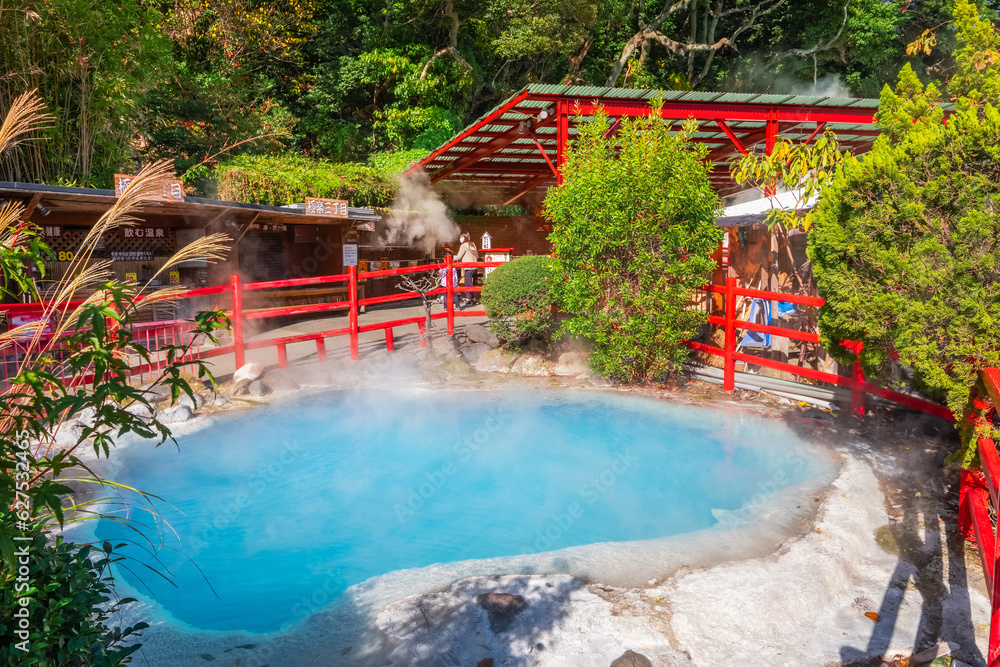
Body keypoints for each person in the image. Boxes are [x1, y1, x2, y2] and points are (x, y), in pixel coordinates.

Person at [454, 232, 479, 307]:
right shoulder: (473, 244)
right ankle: (469, 298)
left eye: (461, 237)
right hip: (474, 266)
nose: (460, 239)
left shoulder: (463, 246)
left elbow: (458, 257)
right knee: (467, 282)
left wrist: (450, 257)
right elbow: (477, 255)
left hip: (468, 266)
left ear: (465, 237)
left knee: (468, 283)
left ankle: (473, 298)